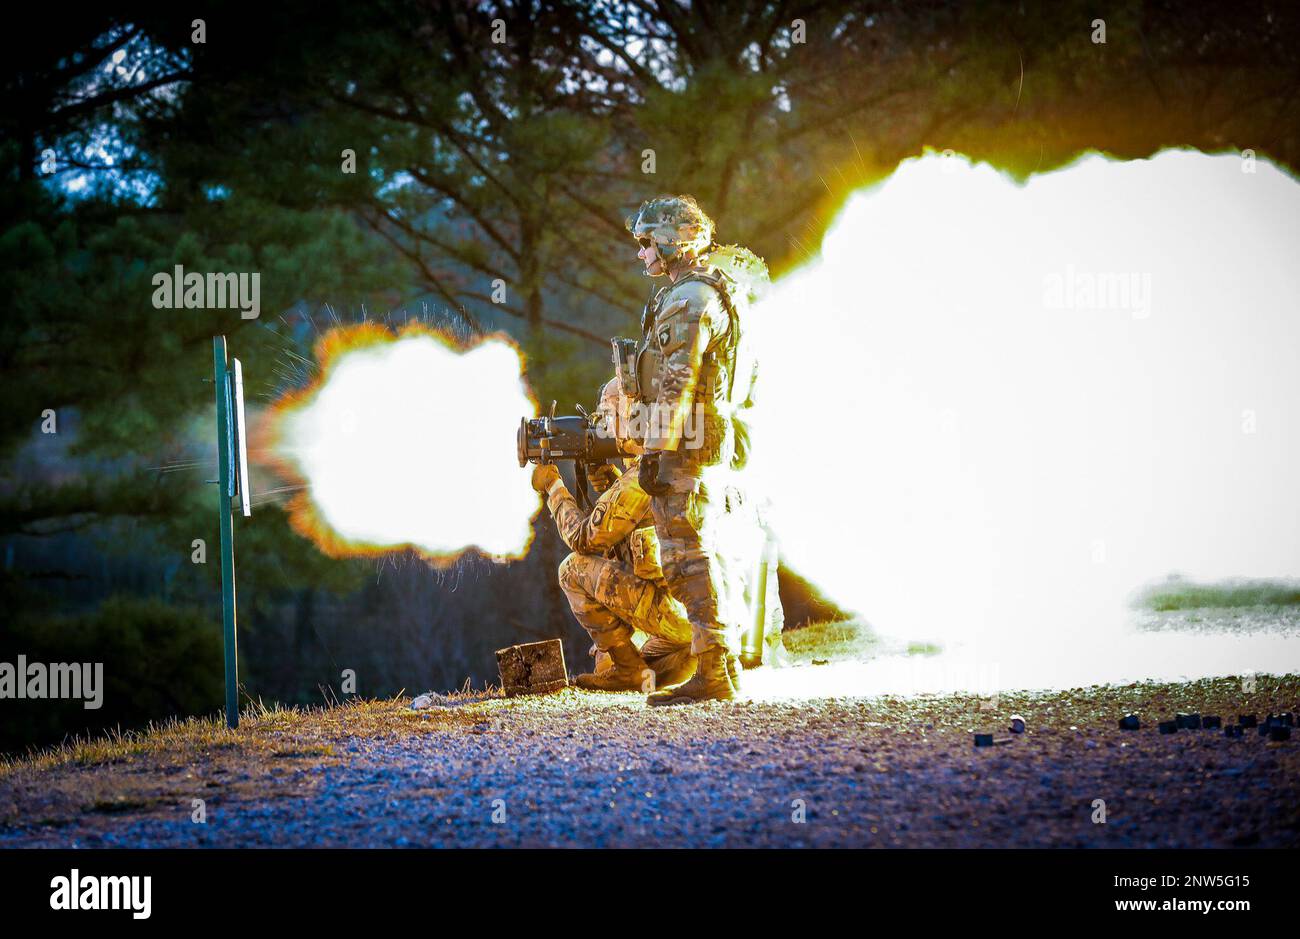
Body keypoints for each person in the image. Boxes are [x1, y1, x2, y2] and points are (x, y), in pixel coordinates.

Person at [622, 194, 768, 705]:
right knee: (696, 553)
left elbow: (678, 381)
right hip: (698, 438)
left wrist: (655, 450)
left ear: (672, 241)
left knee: (687, 558)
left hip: (684, 444)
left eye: (646, 244)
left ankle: (714, 674)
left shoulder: (689, 299)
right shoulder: (708, 292)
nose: (642, 255)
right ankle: (719, 667)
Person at [531, 379, 695, 691]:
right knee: (615, 662)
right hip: (695, 618)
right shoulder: (665, 459)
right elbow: (634, 523)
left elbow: (584, 539)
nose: (603, 426)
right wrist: (607, 480)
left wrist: (553, 487)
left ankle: (628, 670)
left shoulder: (641, 477)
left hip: (676, 616)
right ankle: (649, 666)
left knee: (572, 569)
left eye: (609, 415)